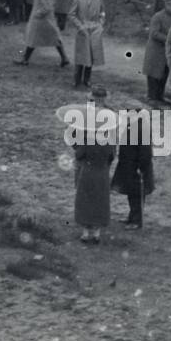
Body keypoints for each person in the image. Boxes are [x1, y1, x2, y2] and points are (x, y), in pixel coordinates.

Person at [74, 88, 115, 243]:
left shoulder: (86, 113)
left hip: (87, 157)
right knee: (100, 196)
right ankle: (96, 230)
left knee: (84, 194)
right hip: (103, 160)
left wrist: (79, 148)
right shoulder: (109, 113)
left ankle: (86, 229)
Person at [16, 0, 70, 69]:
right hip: (41, 21)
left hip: (44, 20)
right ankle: (25, 59)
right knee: (35, 39)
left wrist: (39, 14)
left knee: (52, 38)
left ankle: (64, 58)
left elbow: (48, 7)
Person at [111, 113, 155, 230]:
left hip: (137, 169)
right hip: (128, 167)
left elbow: (146, 154)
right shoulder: (131, 126)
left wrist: (141, 168)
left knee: (137, 195)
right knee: (131, 193)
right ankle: (131, 217)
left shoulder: (142, 129)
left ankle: (137, 221)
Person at [70, 0, 105, 88]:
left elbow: (102, 12)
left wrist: (101, 23)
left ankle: (87, 79)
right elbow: (71, 14)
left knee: (92, 54)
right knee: (81, 56)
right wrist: (80, 26)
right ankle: (77, 80)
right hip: (83, 30)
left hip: (95, 29)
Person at [143, 0, 171, 102]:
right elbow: (154, 33)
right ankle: (151, 96)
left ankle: (160, 96)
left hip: (167, 51)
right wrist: (169, 39)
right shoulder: (157, 16)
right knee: (153, 74)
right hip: (156, 49)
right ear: (166, 5)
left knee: (164, 73)